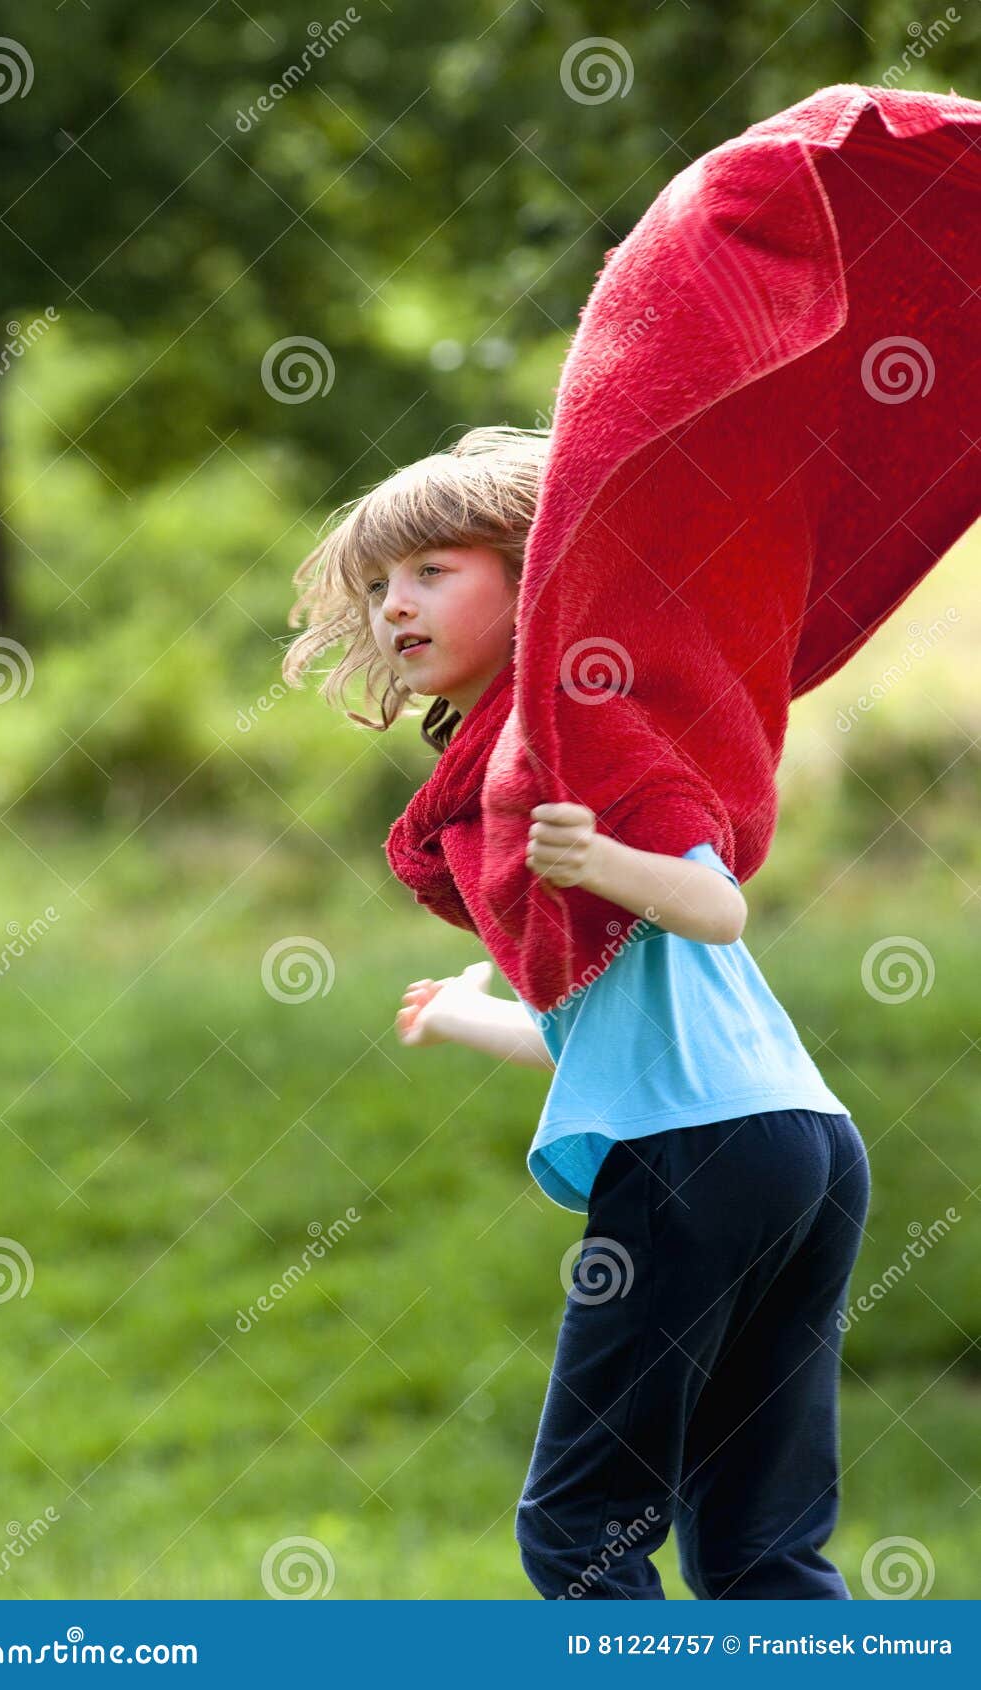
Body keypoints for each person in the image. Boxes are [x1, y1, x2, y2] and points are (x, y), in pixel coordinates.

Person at [283, 424, 872, 1601]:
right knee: (757, 1536)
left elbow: (713, 905)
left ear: (529, 570)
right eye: (380, 585)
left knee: (578, 1524)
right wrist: (465, 1015)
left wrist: (602, 854)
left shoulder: (580, 732)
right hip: (796, 1141)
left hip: (694, 1155)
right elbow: (599, 1034)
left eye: (432, 571)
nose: (395, 606)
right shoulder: (509, 779)